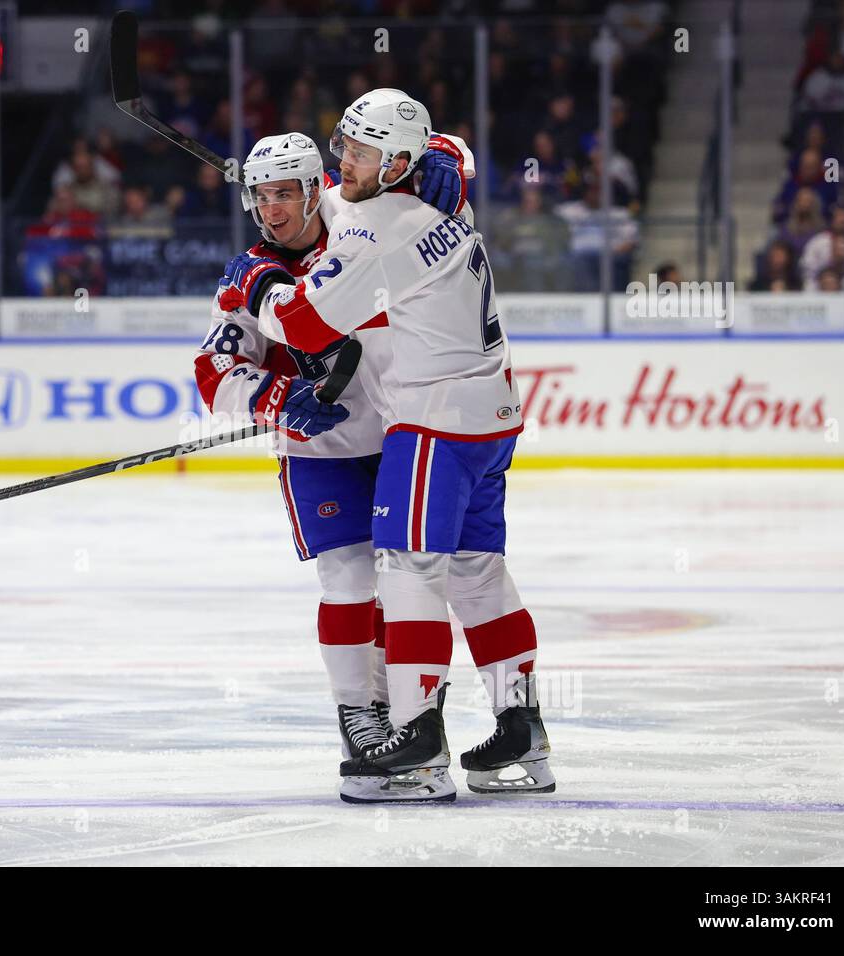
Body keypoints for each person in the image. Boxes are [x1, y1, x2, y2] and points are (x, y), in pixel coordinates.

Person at [218, 89, 556, 803]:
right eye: (344, 145)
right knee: (477, 572)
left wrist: (259, 283)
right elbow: (451, 155)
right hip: (492, 411)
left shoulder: (375, 225)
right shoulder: (445, 201)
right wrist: (446, 157)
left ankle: (416, 738)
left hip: (432, 418)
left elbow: (305, 327)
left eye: (364, 153)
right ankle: (520, 727)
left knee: (407, 568)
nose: (347, 162)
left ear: (398, 161)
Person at [196, 128, 473, 801]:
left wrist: (447, 164)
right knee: (348, 583)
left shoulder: (366, 226)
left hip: (406, 437)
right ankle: (360, 716)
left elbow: (434, 154)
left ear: (317, 187)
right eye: (261, 196)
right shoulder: (246, 280)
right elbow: (214, 372)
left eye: (286, 192)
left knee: (414, 581)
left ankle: (415, 713)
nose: (273, 209)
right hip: (319, 453)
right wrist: (277, 397)